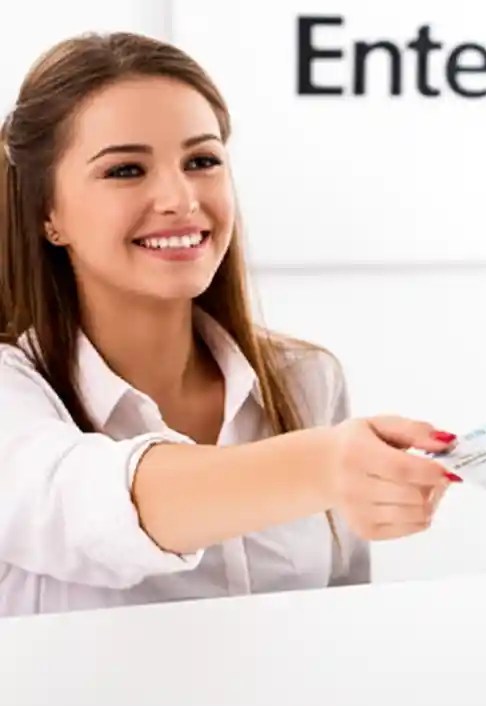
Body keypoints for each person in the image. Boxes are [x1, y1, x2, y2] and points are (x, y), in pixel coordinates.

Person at [0, 32, 461, 617]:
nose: (180, 198)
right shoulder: (13, 395)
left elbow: (340, 621)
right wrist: (325, 465)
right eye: (125, 170)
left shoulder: (306, 381)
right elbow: (93, 504)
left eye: (201, 161)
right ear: (48, 214)